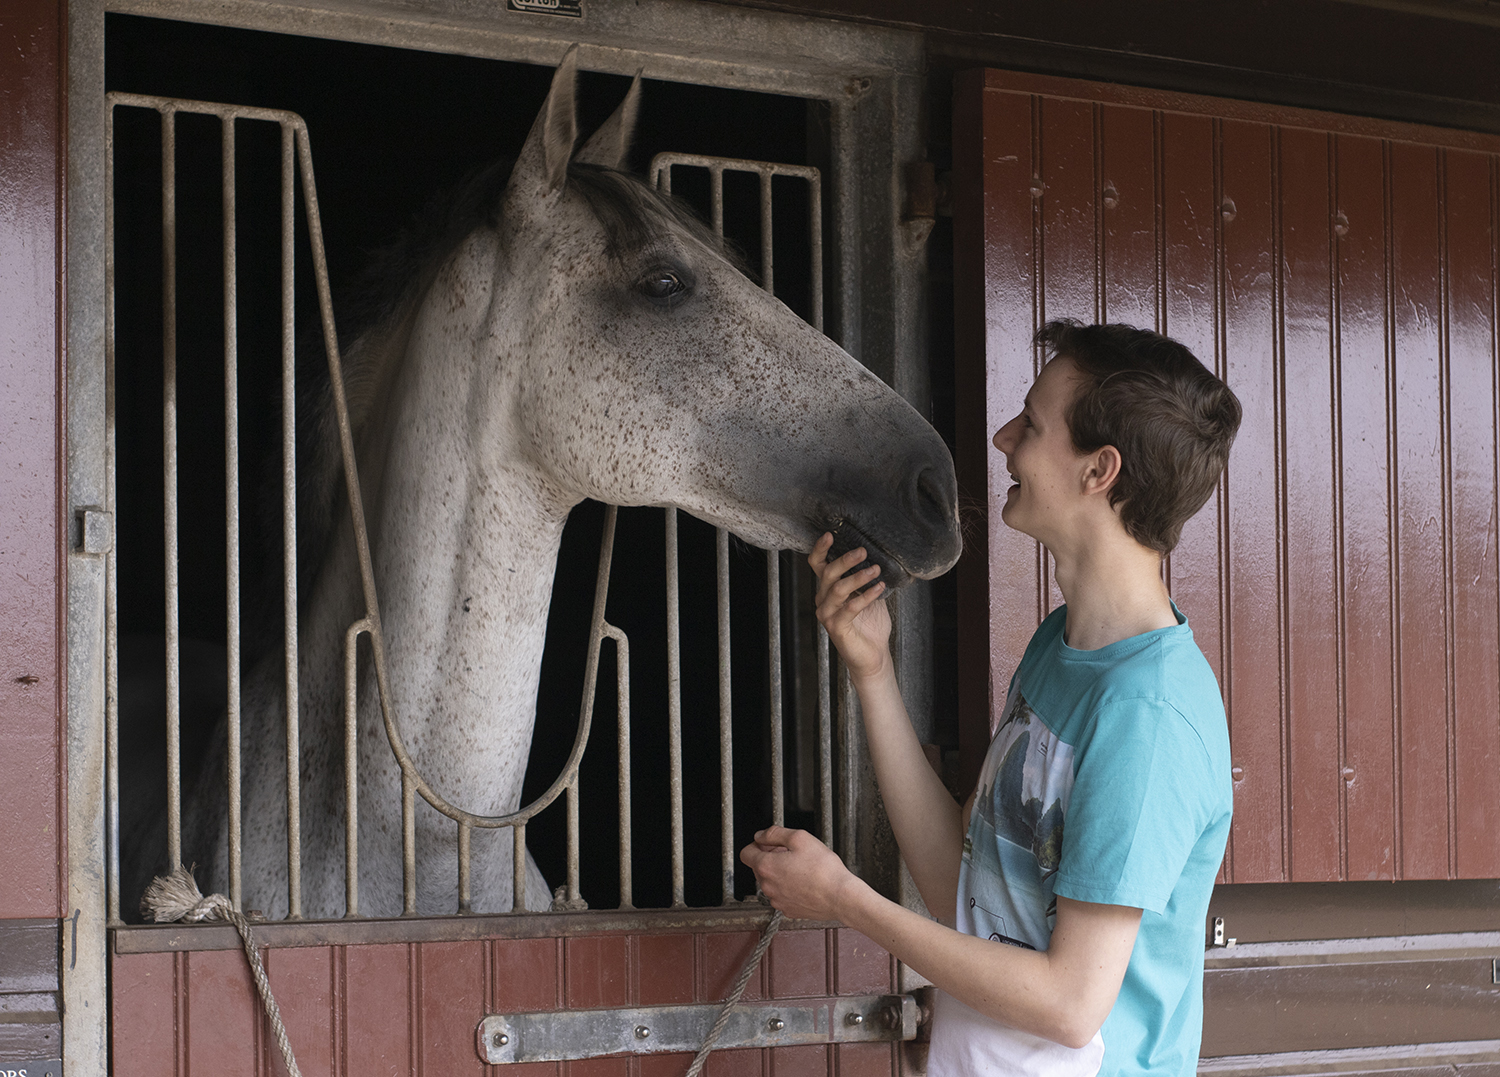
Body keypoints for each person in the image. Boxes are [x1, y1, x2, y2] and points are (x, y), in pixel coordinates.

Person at [741, 321, 1243, 1077]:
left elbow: (1070, 1004)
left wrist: (846, 899)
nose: (1005, 437)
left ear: (1098, 471)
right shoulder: (1059, 645)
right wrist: (874, 671)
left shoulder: (1149, 716)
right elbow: (970, 893)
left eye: (1034, 424)